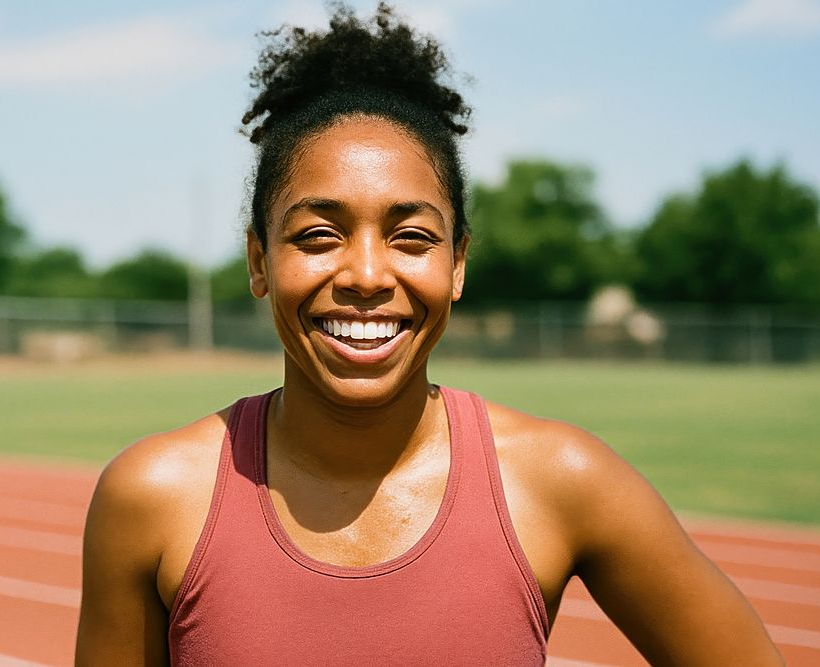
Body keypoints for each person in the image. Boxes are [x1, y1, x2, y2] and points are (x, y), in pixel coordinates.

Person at [75, 4, 783, 665]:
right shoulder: (153, 497)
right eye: (319, 234)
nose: (365, 272)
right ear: (260, 260)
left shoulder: (561, 480)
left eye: (411, 236)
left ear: (458, 264)